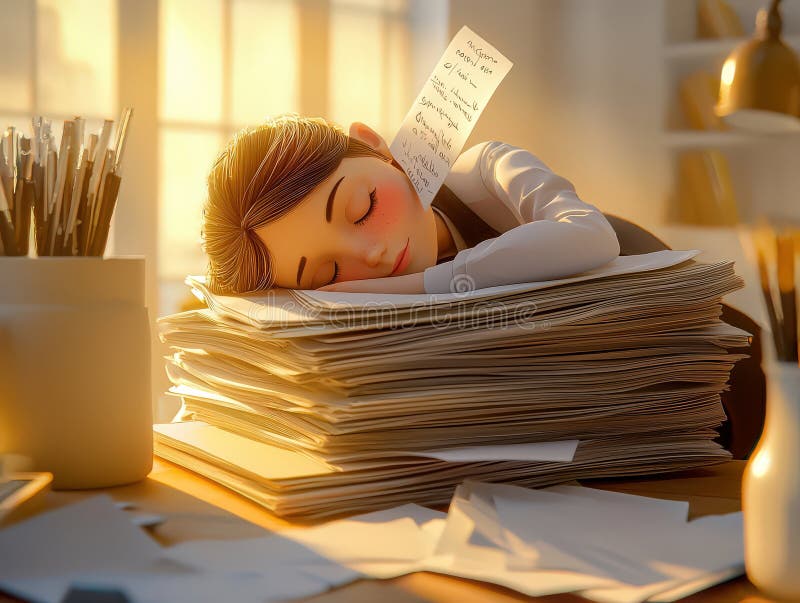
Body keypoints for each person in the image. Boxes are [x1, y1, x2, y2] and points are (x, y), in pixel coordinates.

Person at [202, 114, 620, 295]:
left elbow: (591, 237)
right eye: (327, 273)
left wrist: (420, 285)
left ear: (372, 144)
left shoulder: (486, 170)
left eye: (362, 208)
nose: (373, 255)